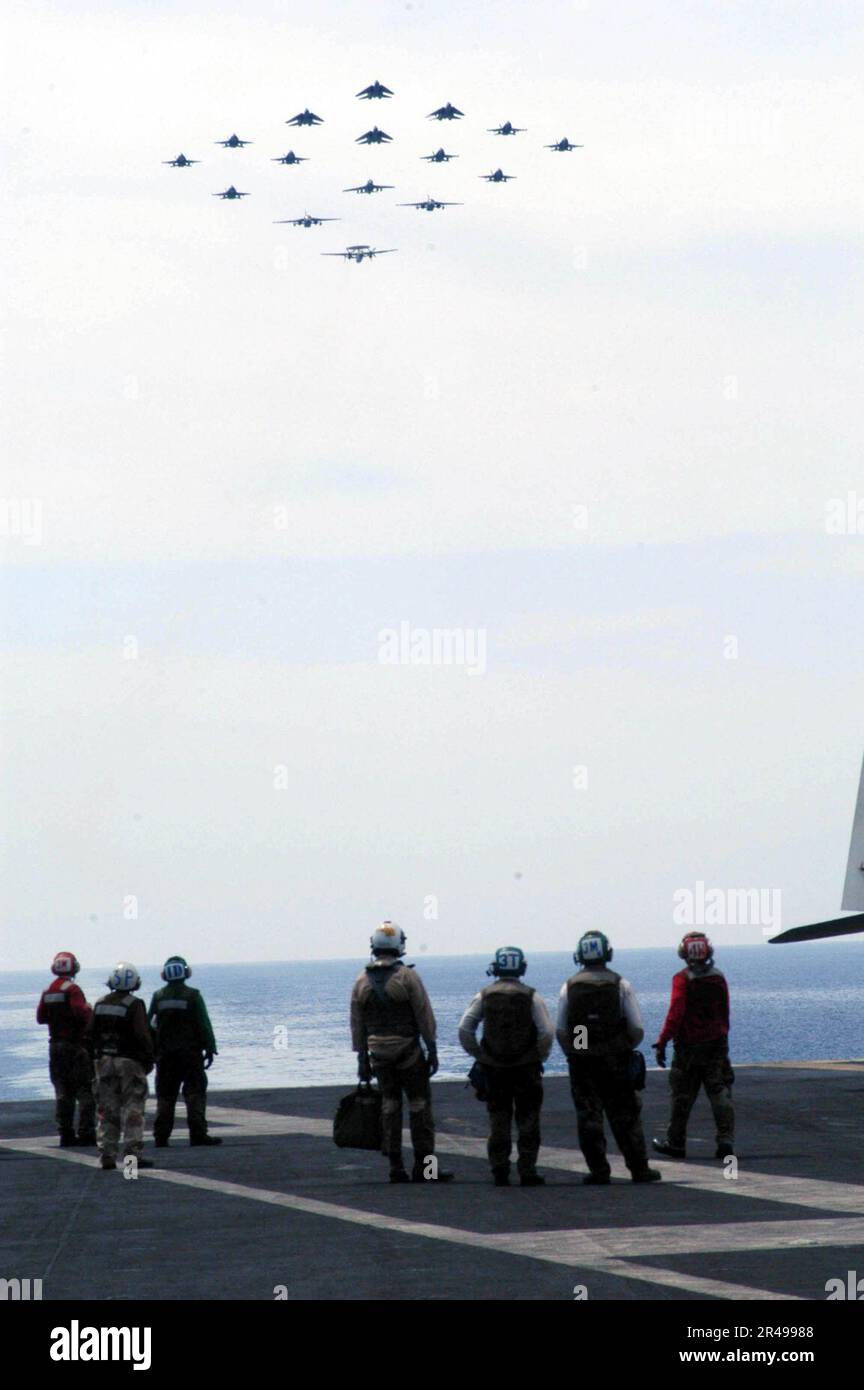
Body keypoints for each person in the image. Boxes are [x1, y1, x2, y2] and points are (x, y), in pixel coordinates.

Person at [350, 921, 454, 1184]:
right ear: (399, 945)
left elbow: (357, 1025)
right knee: (420, 1106)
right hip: (408, 1052)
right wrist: (432, 1048)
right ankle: (425, 1169)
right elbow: (424, 1015)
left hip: (378, 1054)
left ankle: (395, 1167)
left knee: (389, 1105)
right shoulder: (407, 977)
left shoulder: (361, 980)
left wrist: (362, 1059)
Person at [557, 931, 661, 1184]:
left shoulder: (569, 986)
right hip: (616, 1059)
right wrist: (620, 1047)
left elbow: (562, 1029)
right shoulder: (620, 984)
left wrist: (578, 1050)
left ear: (579, 955)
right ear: (608, 953)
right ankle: (639, 1168)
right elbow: (636, 1028)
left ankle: (598, 1171)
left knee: (588, 1117)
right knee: (626, 1116)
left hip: (582, 1060)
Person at [458, 946, 554, 1186]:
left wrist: (481, 1056)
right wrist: (538, 1057)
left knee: (498, 1119)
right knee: (528, 1119)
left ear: (496, 968)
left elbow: (465, 1029)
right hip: (526, 1068)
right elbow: (546, 1032)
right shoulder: (532, 996)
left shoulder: (484, 996)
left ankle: (499, 1169)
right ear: (522, 968)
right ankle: (527, 1170)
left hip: (494, 1069)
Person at [652, 931, 735, 1160]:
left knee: (682, 1096)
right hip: (716, 1044)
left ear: (683, 953)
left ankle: (676, 1143)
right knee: (719, 1091)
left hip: (688, 1047)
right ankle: (726, 1140)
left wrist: (662, 1041)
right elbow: (725, 1011)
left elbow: (675, 1013)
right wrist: (721, 1035)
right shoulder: (718, 977)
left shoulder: (682, 979)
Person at [148, 956, 221, 1148]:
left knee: (165, 1096)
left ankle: (161, 1137)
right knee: (195, 1093)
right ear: (186, 973)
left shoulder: (158, 997)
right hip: (190, 1055)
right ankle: (198, 1134)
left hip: (165, 1057)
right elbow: (204, 1024)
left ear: (164, 975)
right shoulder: (193, 996)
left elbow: (149, 1026)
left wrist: (151, 1052)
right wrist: (210, 1048)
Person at [89, 962, 155, 1171]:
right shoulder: (135, 1005)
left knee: (107, 1110)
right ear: (135, 983)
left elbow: (90, 1033)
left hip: (104, 1062)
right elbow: (142, 1035)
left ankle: (106, 1155)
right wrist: (150, 1058)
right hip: (129, 1063)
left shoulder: (100, 1004)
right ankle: (132, 1158)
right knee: (133, 1110)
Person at [36, 951, 96, 1147]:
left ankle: (66, 1133)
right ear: (74, 968)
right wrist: (88, 1009)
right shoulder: (73, 989)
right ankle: (86, 1132)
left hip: (55, 1046)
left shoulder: (48, 991)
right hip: (75, 1046)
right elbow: (81, 1013)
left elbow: (40, 1018)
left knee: (62, 1091)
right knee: (85, 1090)